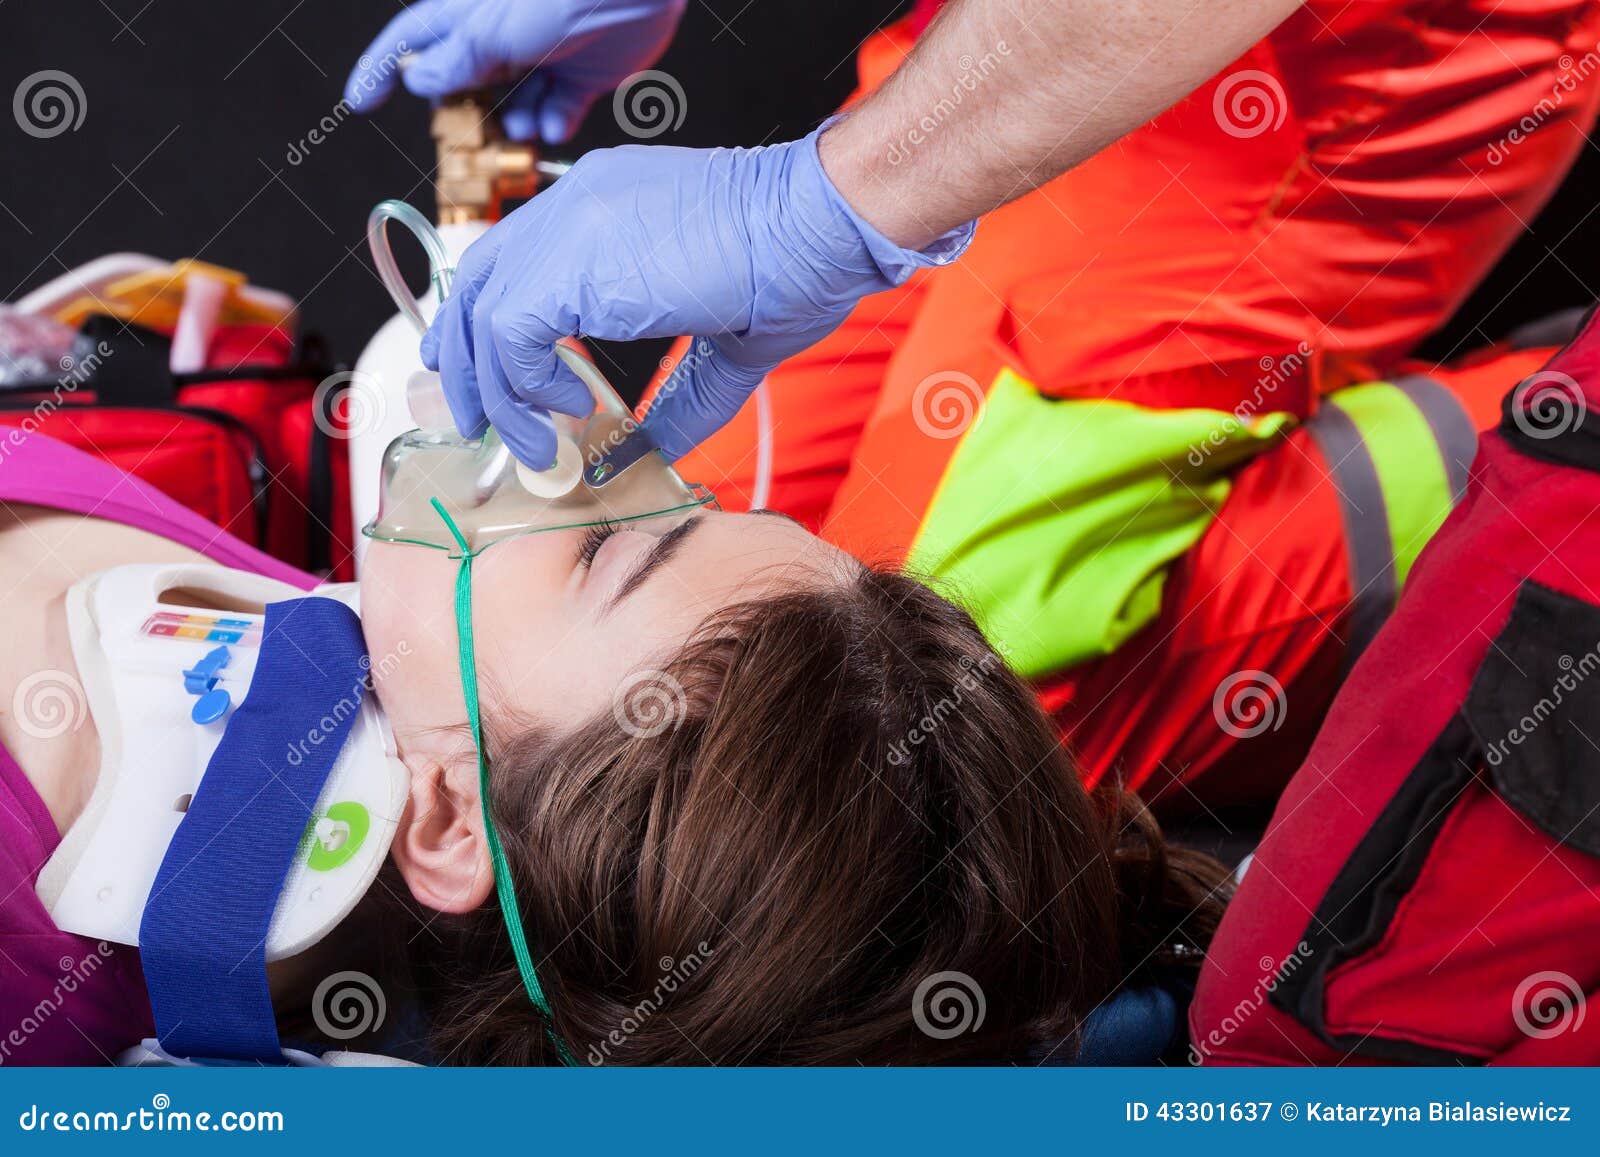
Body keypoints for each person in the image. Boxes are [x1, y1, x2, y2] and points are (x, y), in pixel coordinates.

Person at [348, 0, 1600, 804]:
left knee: (945, 674)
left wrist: (840, 201)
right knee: (912, 701)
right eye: (636, 529)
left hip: (1305, 68)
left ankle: (1549, 438)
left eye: (642, 535)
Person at [1, 429, 1226, 1065]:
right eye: (680, 496)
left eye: (608, 549)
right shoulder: (372, 647)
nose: (594, 458)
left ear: (446, 817)